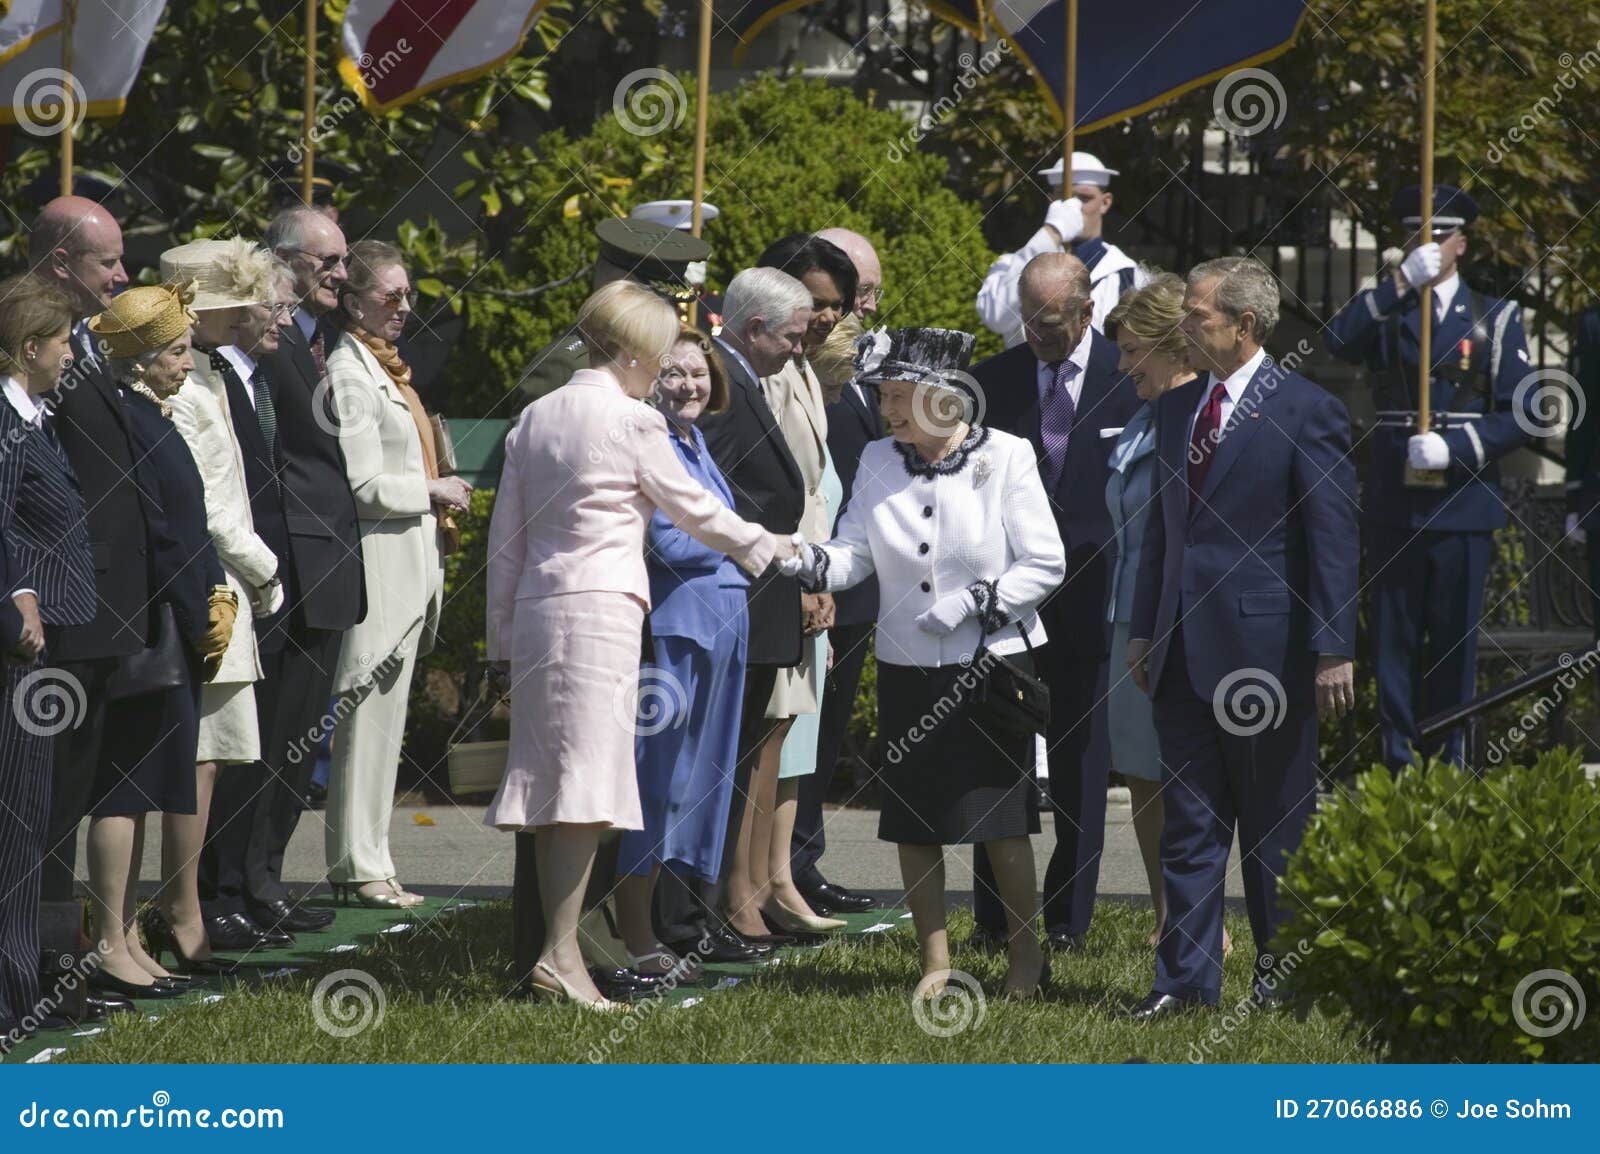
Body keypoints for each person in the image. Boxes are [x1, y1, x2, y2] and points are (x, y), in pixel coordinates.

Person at [484, 280, 790, 1008]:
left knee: (558, 791)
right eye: (655, 355)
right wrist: (774, 549)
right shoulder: (633, 421)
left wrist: (500, 641)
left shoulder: (534, 416)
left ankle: (558, 953)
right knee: (586, 792)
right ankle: (561, 958)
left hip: (538, 613)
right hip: (600, 615)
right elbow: (695, 510)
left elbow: (506, 542)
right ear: (628, 351)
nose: (660, 371)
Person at [787, 326, 1066, 996]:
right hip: (907, 667)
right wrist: (807, 561)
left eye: (896, 395)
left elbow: (1046, 562)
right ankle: (935, 965)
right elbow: (855, 550)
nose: (885, 408)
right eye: (883, 395)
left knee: (1000, 824)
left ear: (941, 397)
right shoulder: (879, 458)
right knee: (915, 822)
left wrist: (974, 601)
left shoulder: (1006, 455)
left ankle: (1027, 959)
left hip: (990, 668)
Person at [1126, 257, 1359, 1019]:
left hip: (1268, 656)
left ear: (1244, 325)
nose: (1184, 325)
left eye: (1197, 314)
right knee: (1189, 829)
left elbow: (1333, 537)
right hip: (1180, 652)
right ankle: (1183, 985)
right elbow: (1162, 533)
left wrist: (1334, 647)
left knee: (1275, 828)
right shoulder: (1176, 408)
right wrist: (1144, 628)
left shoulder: (1306, 409)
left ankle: (1284, 985)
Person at [1325, 185, 1534, 770]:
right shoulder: (1387, 310)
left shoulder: (1495, 316)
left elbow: (1523, 412)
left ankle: (1448, 766)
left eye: (1440, 235)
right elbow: (1336, 342)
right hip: (1397, 503)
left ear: (1461, 244)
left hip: (1462, 502)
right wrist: (1397, 285)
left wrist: (1457, 447)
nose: (1429, 244)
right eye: (1417, 235)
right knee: (1392, 642)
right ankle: (1398, 768)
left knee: (1452, 644)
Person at [973, 252, 1141, 952]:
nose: (1037, 335)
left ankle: (1068, 918)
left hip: (1092, 593)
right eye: (1027, 321)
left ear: (1087, 311)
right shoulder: (992, 381)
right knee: (997, 751)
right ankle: (993, 918)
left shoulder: (1129, 378)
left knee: (1080, 757)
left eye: (1051, 323)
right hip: (1008, 596)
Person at [214, 205, 364, 934]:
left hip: (326, 566)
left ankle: (264, 876)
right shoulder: (263, 345)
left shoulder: (322, 340)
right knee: (266, 738)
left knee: (298, 741)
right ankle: (232, 884)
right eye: (326, 261)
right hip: (287, 565)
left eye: (344, 260)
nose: (341, 273)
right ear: (281, 262)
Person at [83, 284, 234, 998]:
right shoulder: (131, 420)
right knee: (122, 786)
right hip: (150, 628)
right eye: (175, 352)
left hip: (172, 618)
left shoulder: (150, 415)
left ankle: (127, 936)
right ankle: (106, 941)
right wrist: (199, 609)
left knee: (143, 788)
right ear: (140, 359)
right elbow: (162, 531)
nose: (187, 363)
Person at [658, 267, 810, 963]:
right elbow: (695, 506)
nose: (799, 350)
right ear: (754, 329)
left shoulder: (737, 382)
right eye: (791, 337)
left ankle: (703, 911)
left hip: (743, 604)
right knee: (699, 771)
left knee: (727, 766)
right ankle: (686, 918)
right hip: (713, 606)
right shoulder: (719, 392)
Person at [152, 239, 290, 972]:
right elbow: (206, 507)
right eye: (232, 305)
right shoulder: (181, 387)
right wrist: (265, 571)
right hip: (215, 585)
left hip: (229, 582)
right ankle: (181, 911)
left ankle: (186, 907)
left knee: (213, 758)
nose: (246, 316)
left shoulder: (209, 373)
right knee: (200, 759)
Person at [27, 197, 148, 1021]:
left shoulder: (87, 343)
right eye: (109, 262)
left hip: (102, 612)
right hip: (61, 616)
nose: (123, 276)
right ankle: (37, 972)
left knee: (69, 800)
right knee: (41, 806)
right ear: (63, 263)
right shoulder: (32, 345)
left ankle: (56, 963)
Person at [723, 233, 858, 939]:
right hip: (774, 574)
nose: (827, 317)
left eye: (837, 305)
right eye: (816, 302)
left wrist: (819, 572)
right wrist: (801, 579)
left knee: (781, 734)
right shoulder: (764, 367)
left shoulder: (797, 363)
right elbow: (764, 492)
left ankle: (768, 882)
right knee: (760, 737)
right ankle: (741, 893)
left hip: (804, 569)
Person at [325, 240, 467, 908]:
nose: (405, 306)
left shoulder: (389, 369)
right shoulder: (349, 372)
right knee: (366, 727)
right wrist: (431, 490)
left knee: (385, 728)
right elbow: (360, 485)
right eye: (391, 295)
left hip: (408, 572)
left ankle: (374, 859)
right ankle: (357, 867)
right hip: (380, 574)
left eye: (408, 294)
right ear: (354, 302)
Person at [612, 327, 748, 981]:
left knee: (699, 787)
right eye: (674, 372)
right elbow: (666, 539)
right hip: (676, 633)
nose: (689, 384)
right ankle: (634, 931)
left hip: (719, 628)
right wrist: (742, 541)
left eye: (698, 372)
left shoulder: (692, 437)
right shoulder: (653, 438)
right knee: (657, 784)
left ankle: (678, 921)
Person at [1103, 273, 1231, 956]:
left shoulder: (1202, 419)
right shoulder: (1146, 417)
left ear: (1171, 345)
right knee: (1143, 775)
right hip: (1128, 619)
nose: (1123, 366)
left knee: (1187, 777)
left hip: (1180, 621)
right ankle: (1168, 916)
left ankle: (1206, 922)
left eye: (1133, 351)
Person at [0, 276, 97, 1045]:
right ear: (30, 348)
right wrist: (19, 597)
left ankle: (21, 986)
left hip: (44, 647)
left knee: (31, 823)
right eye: (63, 341)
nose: (72, 353)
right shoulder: (6, 421)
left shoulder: (34, 416)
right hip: (18, 652)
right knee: (16, 825)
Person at [794, 228, 883, 916]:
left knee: (822, 738)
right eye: (858, 292)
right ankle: (786, 868)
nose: (865, 305)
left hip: (854, 587)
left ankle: (803, 859)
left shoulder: (861, 373)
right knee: (797, 733)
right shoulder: (810, 375)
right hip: (812, 583)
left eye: (870, 292)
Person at [512, 217, 712, 408]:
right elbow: (534, 431)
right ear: (618, 291)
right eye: (656, 304)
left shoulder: (650, 357)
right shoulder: (563, 365)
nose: (667, 315)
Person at [976, 152, 1138, 347]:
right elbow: (996, 317)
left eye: (1084, 198)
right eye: (1063, 198)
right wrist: (1051, 232)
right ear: (1051, 200)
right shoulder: (1010, 264)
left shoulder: (1127, 273)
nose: (1073, 207)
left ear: (1105, 202)